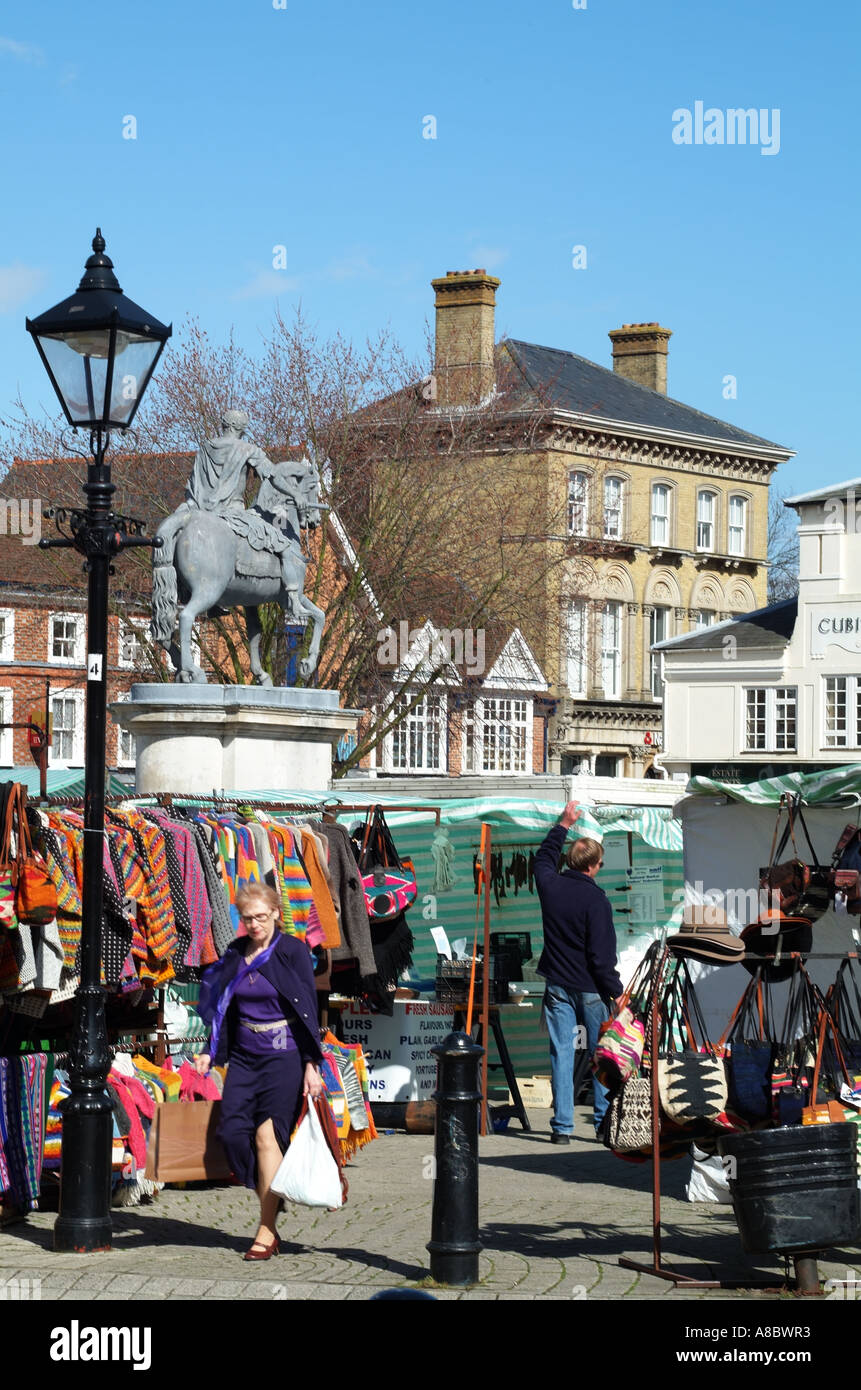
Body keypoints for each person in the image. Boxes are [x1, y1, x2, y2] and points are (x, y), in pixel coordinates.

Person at [193, 883, 324, 1259]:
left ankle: (266, 1231)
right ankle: (272, 1191)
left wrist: (311, 1065)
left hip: (283, 1058)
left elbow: (307, 1010)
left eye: (261, 917)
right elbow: (221, 1007)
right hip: (244, 1057)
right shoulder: (235, 953)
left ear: (276, 914)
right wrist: (209, 1051)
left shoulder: (292, 951)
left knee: (268, 1137)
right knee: (233, 1133)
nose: (254, 925)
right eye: (247, 918)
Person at [534, 800, 623, 1144]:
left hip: (557, 985)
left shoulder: (550, 885)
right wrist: (615, 992)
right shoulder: (597, 901)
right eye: (600, 863)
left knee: (562, 1052)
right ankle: (602, 1123)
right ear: (593, 867)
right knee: (600, 1054)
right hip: (589, 988)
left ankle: (562, 1128)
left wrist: (564, 823)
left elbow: (543, 858)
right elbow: (601, 958)